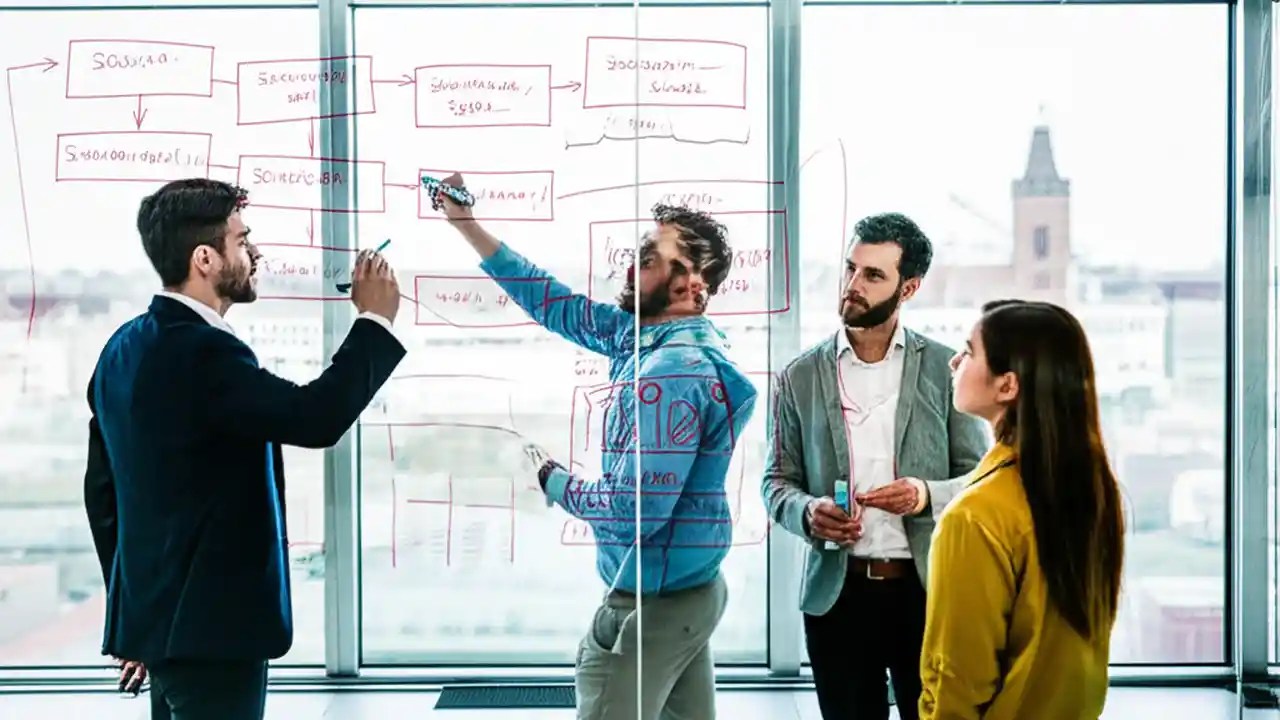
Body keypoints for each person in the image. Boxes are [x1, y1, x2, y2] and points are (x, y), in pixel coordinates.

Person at [432, 173, 757, 720]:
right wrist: (467, 226)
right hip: (686, 593)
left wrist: (555, 482)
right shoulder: (642, 337)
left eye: (650, 259)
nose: (632, 268)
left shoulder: (672, 373)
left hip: (650, 606)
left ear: (691, 288)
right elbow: (554, 303)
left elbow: (636, 513)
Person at [82, 178, 406, 720]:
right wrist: (374, 321)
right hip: (214, 638)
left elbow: (104, 495)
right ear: (205, 258)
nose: (254, 252)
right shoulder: (206, 353)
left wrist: (139, 623)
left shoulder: (121, 349)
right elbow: (316, 417)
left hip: (164, 636)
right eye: (242, 239)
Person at [761, 212, 989, 720]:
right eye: (850, 269)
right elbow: (776, 482)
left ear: (908, 287)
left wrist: (924, 495)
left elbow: (982, 477)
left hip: (928, 595)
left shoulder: (946, 369)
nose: (853, 286)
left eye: (873, 275)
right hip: (837, 601)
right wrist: (807, 512)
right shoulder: (798, 376)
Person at [918, 299, 1125, 720]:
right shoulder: (1095, 491)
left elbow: (959, 680)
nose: (955, 361)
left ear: (1007, 386)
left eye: (970, 351)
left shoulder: (975, 517)